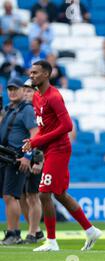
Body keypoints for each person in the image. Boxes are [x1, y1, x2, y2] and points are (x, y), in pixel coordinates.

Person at [23, 60, 102, 251]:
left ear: (46, 75)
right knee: (60, 195)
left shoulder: (54, 97)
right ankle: (91, 230)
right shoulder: (37, 97)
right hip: (49, 149)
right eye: (30, 72)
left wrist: (37, 141)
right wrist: (33, 142)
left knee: (44, 193)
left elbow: (67, 126)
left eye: (35, 73)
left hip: (59, 149)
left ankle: (51, 241)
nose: (31, 75)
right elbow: (43, 128)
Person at [0, 77, 38, 245]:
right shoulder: (9, 108)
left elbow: (35, 133)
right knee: (8, 196)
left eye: (15, 89)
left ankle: (13, 233)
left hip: (17, 158)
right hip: (6, 157)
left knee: (11, 196)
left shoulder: (27, 109)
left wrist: (27, 156)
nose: (12, 92)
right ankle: (12, 232)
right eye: (10, 89)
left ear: (23, 90)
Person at [18, 79, 45, 244]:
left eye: (30, 91)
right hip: (21, 157)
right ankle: (36, 230)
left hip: (34, 156)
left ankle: (32, 233)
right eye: (25, 90)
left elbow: (43, 136)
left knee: (33, 196)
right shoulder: (21, 110)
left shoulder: (40, 110)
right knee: (20, 195)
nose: (27, 93)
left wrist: (39, 159)